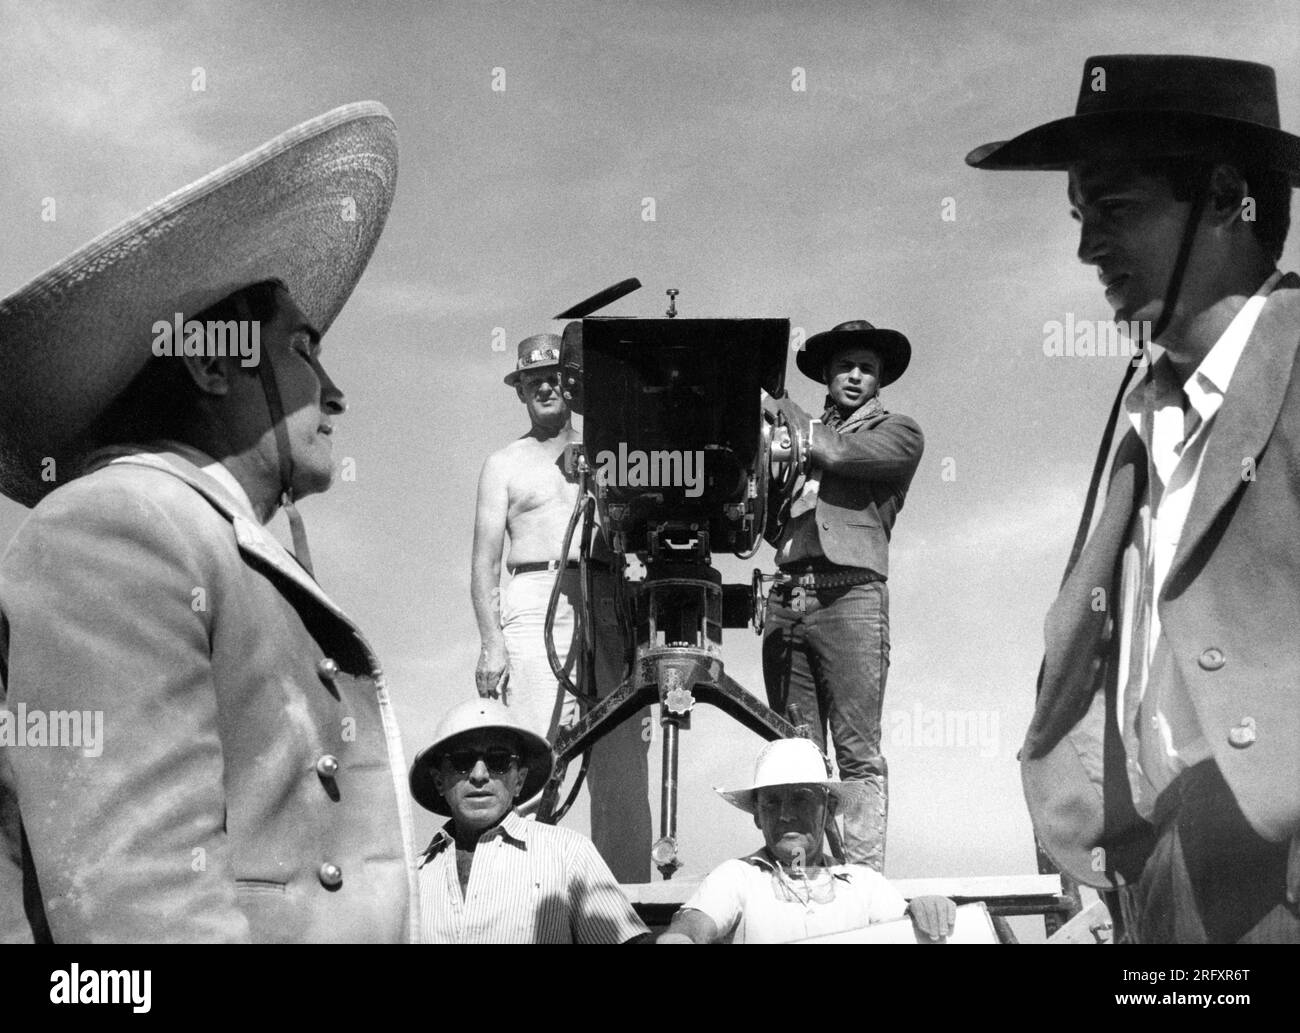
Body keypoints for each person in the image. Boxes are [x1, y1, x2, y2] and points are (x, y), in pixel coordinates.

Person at [0, 104, 418, 943]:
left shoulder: (212, 541)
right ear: (208, 361)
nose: (333, 391)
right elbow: (142, 914)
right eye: (304, 347)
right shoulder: (117, 526)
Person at [968, 54, 1300, 943]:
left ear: (1229, 195)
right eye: (1079, 216)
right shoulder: (1145, 410)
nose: (1085, 248)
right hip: (1156, 890)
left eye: (1113, 209)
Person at [471, 333, 651, 881]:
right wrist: (491, 643)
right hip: (532, 603)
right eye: (534, 381)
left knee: (621, 760)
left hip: (608, 598)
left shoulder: (609, 451)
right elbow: (483, 564)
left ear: (572, 383)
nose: (546, 387)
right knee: (532, 752)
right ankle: (520, 894)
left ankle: (624, 905)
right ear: (521, 390)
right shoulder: (504, 463)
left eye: (555, 377)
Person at [761, 321, 924, 872]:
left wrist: (774, 399)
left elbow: (834, 451)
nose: (856, 376)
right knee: (799, 755)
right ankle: (808, 877)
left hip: (851, 598)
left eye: (868, 369)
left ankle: (864, 883)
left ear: (880, 381)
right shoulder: (791, 438)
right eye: (845, 367)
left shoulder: (897, 432)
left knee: (857, 753)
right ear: (827, 376)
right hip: (786, 598)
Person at [657, 738, 954, 943]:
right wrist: (680, 937)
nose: (786, 815)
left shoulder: (865, 885)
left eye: (801, 799)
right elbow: (694, 925)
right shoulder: (736, 877)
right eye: (772, 803)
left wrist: (927, 909)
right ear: (758, 816)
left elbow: (903, 924)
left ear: (829, 811)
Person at [409, 698, 649, 943]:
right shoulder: (411, 877)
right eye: (461, 761)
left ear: (519, 780)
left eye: (499, 761)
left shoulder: (568, 854)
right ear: (439, 780)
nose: (479, 775)